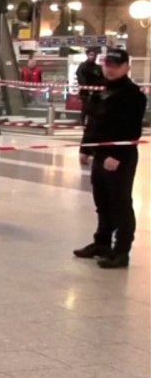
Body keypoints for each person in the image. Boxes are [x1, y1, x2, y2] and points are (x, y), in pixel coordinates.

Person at [74, 48, 147, 269]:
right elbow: (93, 123)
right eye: (108, 65)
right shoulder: (101, 90)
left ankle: (121, 251)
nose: (111, 69)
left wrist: (116, 155)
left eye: (116, 66)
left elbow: (132, 129)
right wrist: (85, 148)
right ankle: (102, 243)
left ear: (127, 67)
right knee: (102, 202)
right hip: (100, 154)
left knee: (120, 203)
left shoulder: (133, 95)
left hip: (119, 156)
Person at [75, 47, 105, 124]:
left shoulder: (98, 68)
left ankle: (93, 122)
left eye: (94, 55)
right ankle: (82, 122)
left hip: (96, 92)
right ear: (87, 55)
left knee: (94, 108)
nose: (92, 57)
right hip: (85, 92)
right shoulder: (83, 66)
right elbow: (80, 76)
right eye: (90, 55)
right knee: (86, 107)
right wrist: (85, 86)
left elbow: (102, 78)